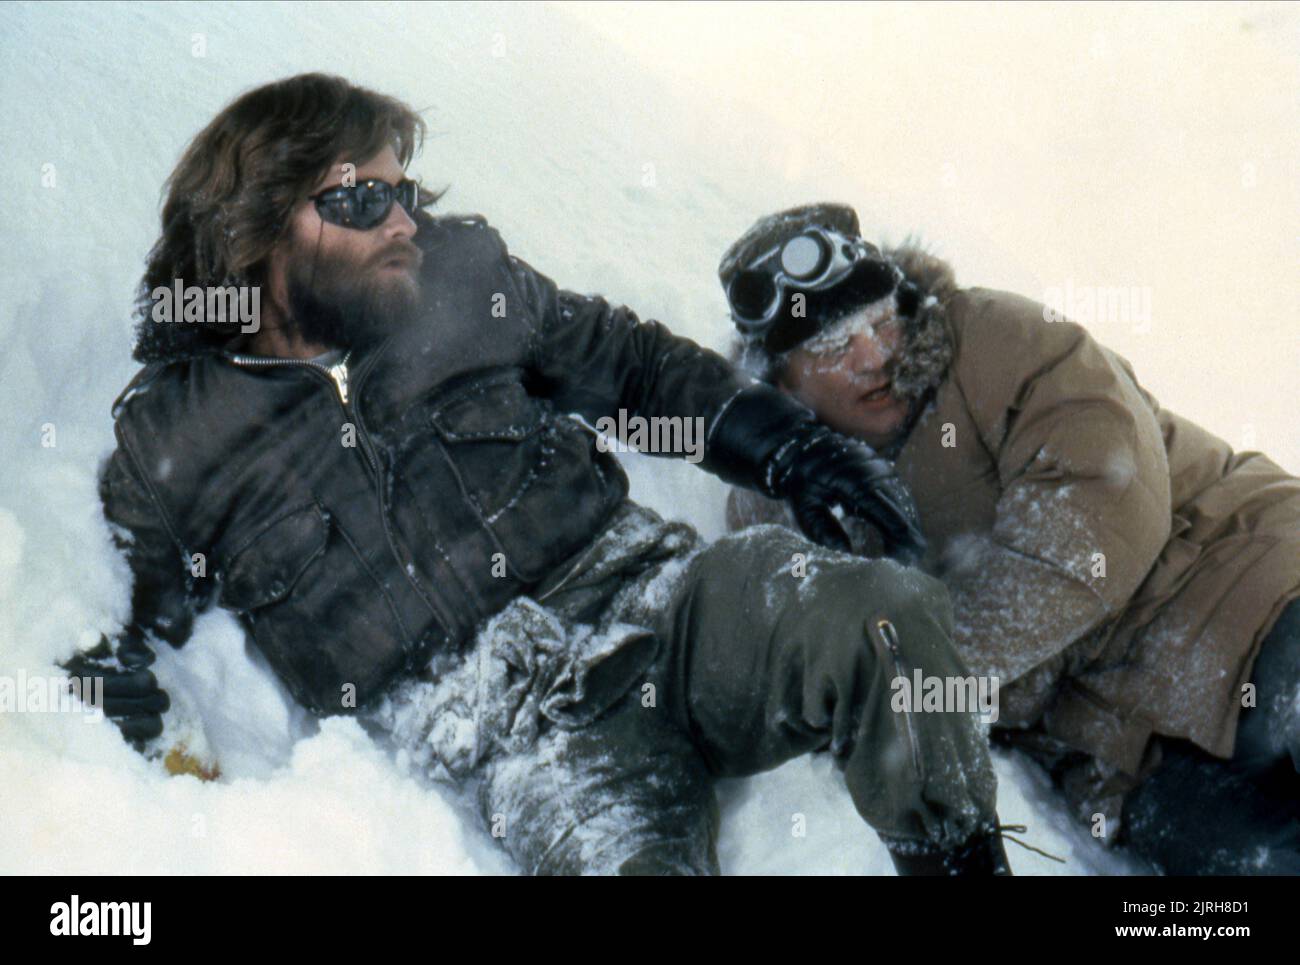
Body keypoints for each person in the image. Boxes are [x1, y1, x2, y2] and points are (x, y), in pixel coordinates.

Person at [64, 76, 1012, 875]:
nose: (401, 222)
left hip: (662, 596)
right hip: (512, 723)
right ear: (258, 230)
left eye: (405, 192)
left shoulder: (464, 276)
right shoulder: (171, 446)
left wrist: (788, 444)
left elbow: (633, 366)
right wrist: (118, 695)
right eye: (359, 201)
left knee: (881, 615)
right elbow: (107, 610)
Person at [720, 202, 1300, 874]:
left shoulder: (995, 338)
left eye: (881, 323)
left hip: (1238, 586)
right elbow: (797, 661)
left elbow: (1103, 513)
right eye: (834, 345)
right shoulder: (776, 504)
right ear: (779, 375)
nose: (875, 356)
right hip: (1117, 745)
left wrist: (929, 676)